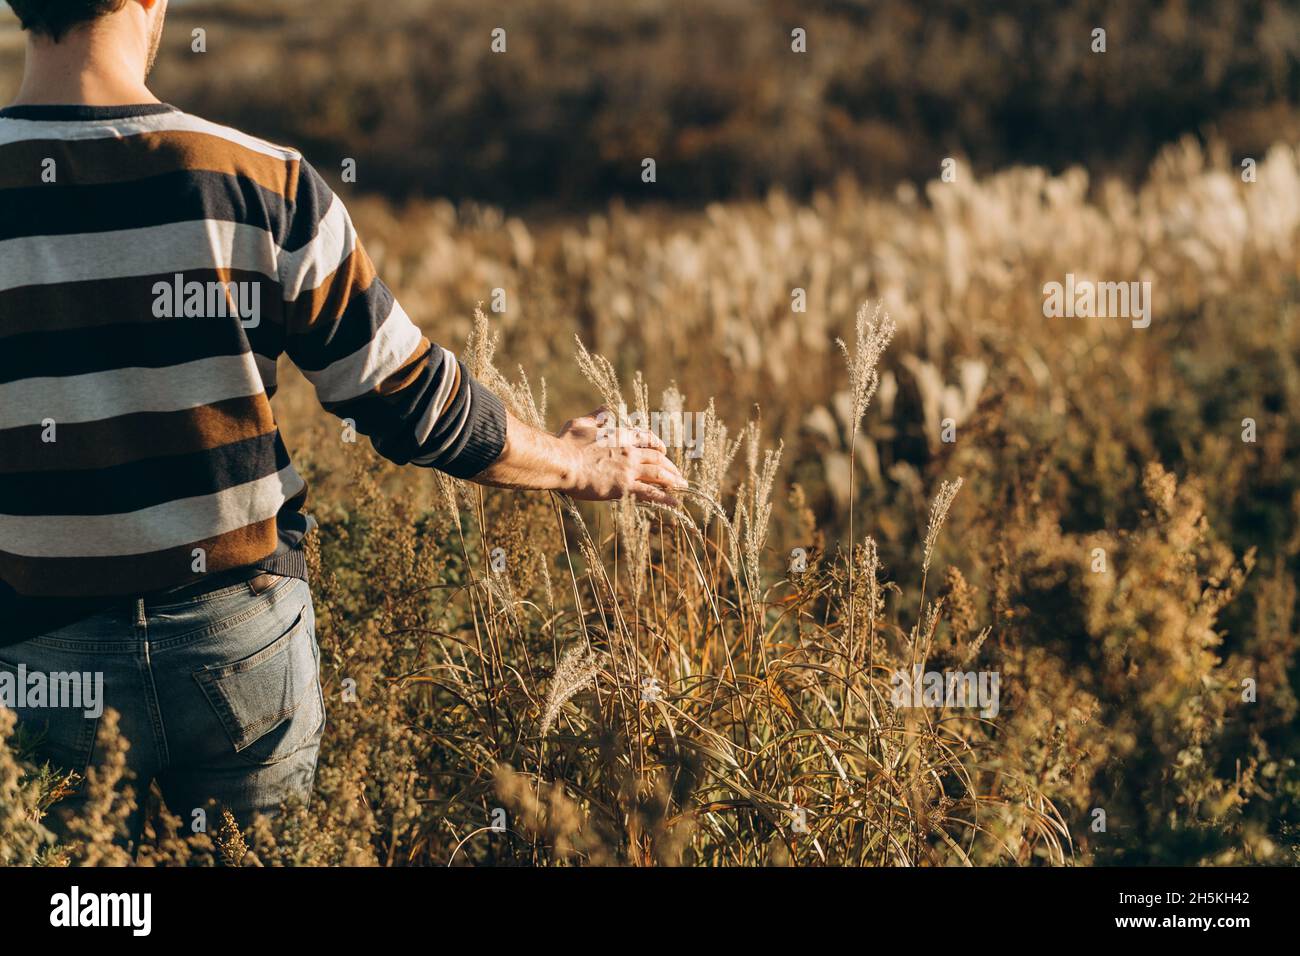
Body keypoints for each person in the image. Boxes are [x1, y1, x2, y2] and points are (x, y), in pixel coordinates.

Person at [0, 0, 685, 847]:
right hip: (240, 646)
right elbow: (407, 396)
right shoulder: (261, 180)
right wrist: (578, 465)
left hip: (43, 660)